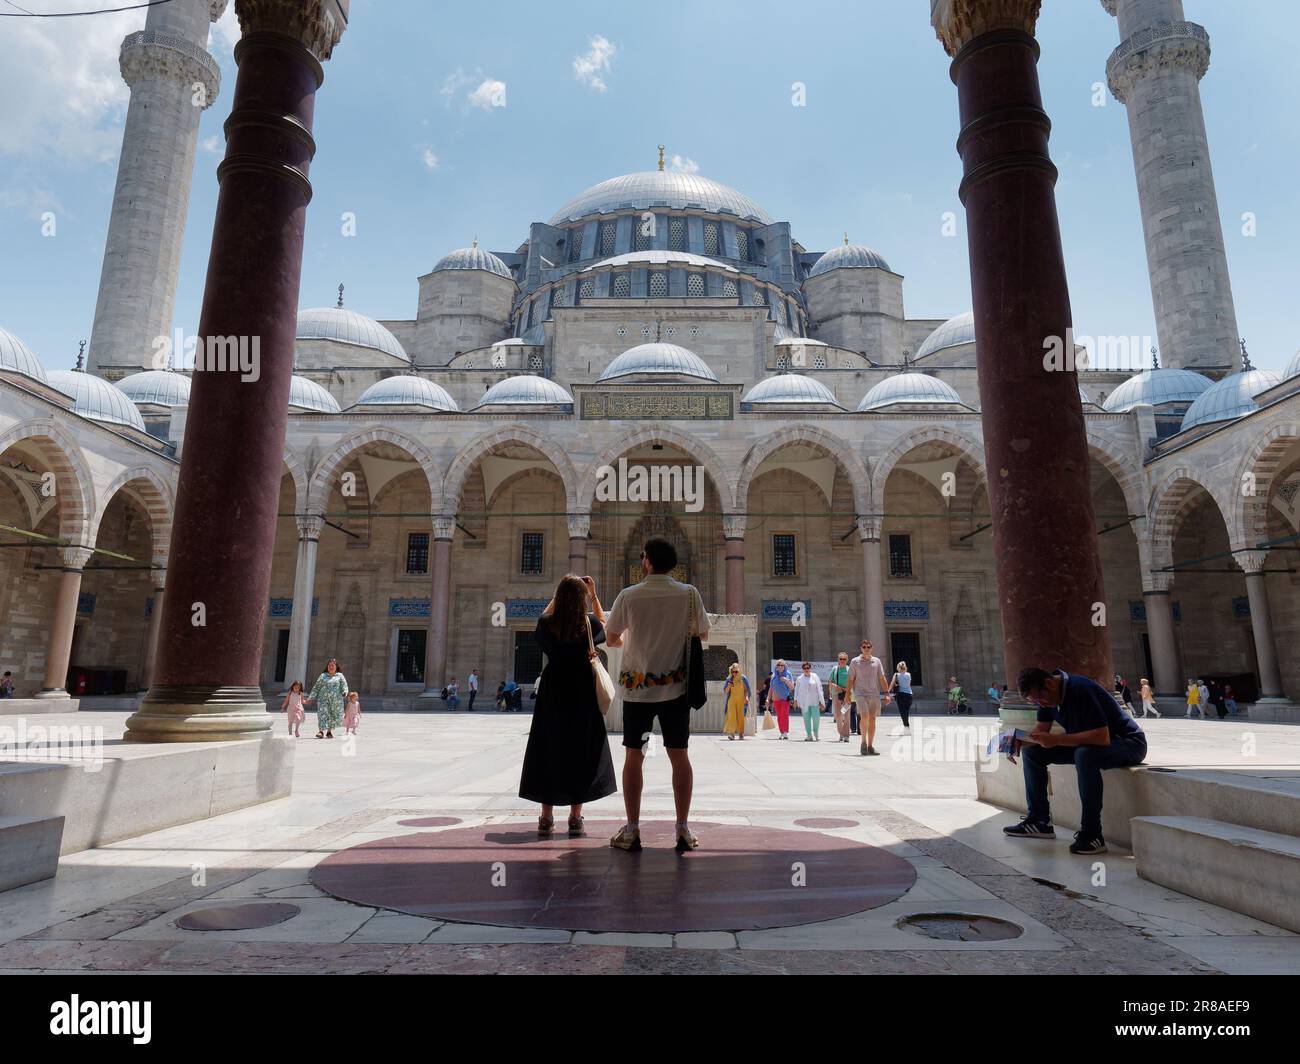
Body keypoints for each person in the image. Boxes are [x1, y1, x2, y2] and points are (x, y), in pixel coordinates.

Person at [604, 537, 708, 853]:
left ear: (646, 561)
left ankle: (633, 829)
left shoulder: (629, 596)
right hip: (676, 688)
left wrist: (630, 644)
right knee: (679, 755)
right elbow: (702, 633)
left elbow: (611, 637)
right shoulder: (689, 594)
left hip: (638, 690)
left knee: (634, 755)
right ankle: (682, 828)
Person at [1003, 666, 1147, 855]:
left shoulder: (1080, 688)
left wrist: (1057, 740)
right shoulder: (1047, 698)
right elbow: (1041, 731)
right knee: (1033, 754)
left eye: (1039, 698)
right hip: (1089, 744)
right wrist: (1019, 742)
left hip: (1127, 743)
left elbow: (1102, 737)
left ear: (1049, 683)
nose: (1041, 704)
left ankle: (1092, 833)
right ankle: (1039, 821)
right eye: (1035, 701)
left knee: (1085, 755)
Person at [518, 573, 617, 837]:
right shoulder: (587, 623)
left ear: (559, 597)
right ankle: (575, 817)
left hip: (554, 691)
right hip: (582, 690)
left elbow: (540, 621)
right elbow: (605, 626)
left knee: (549, 748)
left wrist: (555, 598)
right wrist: (593, 596)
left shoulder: (547, 623)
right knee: (580, 749)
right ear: (582, 598)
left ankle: (546, 817)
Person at [847, 640, 892, 756]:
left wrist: (887, 693)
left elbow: (882, 678)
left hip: (874, 694)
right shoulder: (855, 662)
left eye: (868, 647)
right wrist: (847, 695)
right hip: (860, 694)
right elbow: (851, 679)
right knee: (865, 715)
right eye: (864, 647)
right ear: (861, 648)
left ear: (871, 648)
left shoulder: (876, 661)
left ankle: (870, 746)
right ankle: (863, 743)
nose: (866, 648)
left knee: (872, 719)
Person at [305, 657, 348, 739]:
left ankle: (329, 732)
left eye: (332, 665)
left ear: (336, 667)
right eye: (329, 665)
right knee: (322, 714)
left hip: (336, 701)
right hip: (323, 700)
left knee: (332, 715)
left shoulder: (340, 676)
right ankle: (321, 731)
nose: (331, 667)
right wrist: (310, 698)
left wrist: (345, 692)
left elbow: (344, 685)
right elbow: (316, 687)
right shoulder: (323, 676)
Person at [794, 661, 823, 742]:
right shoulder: (800, 678)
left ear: (810, 668)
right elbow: (796, 690)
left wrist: (821, 701)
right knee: (806, 719)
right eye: (804, 668)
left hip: (814, 702)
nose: (806, 669)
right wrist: (795, 700)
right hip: (804, 702)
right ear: (802, 669)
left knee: (816, 718)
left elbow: (820, 689)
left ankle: (816, 733)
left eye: (808, 668)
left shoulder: (815, 676)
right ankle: (809, 735)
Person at [768, 660, 795, 739]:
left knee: (784, 715)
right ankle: (782, 732)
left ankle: (785, 732)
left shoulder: (788, 674)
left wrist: (785, 680)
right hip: (776, 698)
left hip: (785, 698)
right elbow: (771, 688)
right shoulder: (774, 676)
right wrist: (767, 699)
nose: (780, 667)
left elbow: (792, 687)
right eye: (778, 665)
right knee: (779, 716)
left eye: (782, 665)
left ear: (784, 666)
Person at [722, 663, 749, 740]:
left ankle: (741, 733)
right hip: (732, 700)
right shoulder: (729, 679)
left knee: (741, 717)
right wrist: (729, 686)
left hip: (741, 700)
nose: (734, 673)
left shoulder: (743, 678)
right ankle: (732, 734)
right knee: (731, 717)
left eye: (736, 671)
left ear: (739, 671)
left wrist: (746, 697)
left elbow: (746, 690)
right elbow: (726, 691)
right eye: (732, 671)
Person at [828, 652, 851, 742]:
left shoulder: (849, 669)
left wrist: (848, 689)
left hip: (847, 695)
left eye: (844, 659)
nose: (842, 661)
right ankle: (841, 733)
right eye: (840, 659)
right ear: (838, 660)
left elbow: (853, 681)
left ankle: (846, 735)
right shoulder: (835, 669)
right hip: (836, 694)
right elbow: (830, 681)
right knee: (838, 715)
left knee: (846, 714)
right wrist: (836, 687)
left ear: (847, 660)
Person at [891, 662, 914, 728]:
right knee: (906, 711)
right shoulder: (909, 674)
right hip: (909, 694)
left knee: (902, 711)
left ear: (898, 667)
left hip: (901, 695)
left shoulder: (896, 675)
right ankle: (906, 725)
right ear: (905, 667)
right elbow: (908, 683)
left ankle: (906, 725)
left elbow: (892, 683)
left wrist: (888, 691)